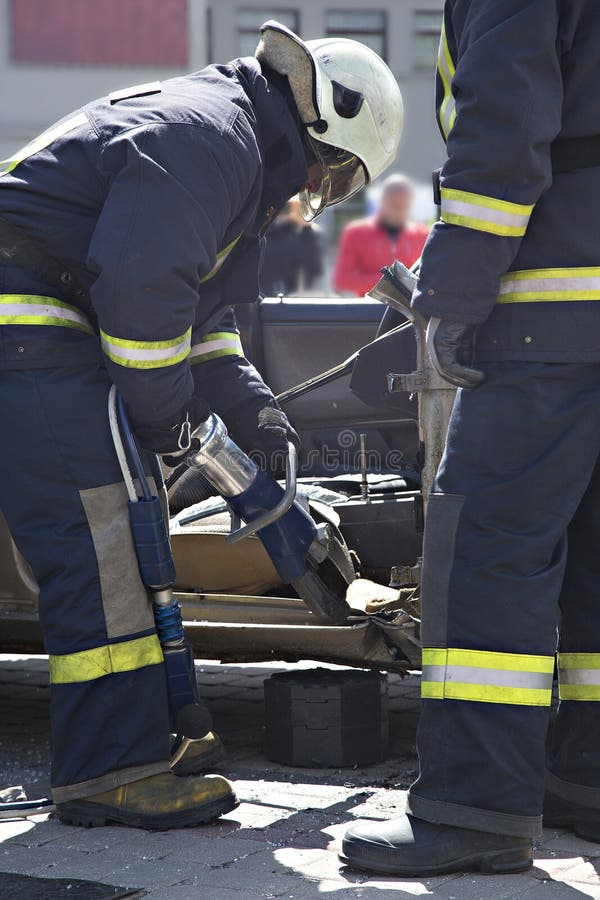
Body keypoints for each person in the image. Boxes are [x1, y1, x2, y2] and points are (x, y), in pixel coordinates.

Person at [0, 20, 403, 829]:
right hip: (26, 312)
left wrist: (253, 412)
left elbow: (207, 324)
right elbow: (145, 307)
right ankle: (109, 770)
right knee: (102, 533)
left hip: (50, 314)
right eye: (333, 170)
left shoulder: (241, 153)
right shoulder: (211, 139)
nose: (319, 189)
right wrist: (175, 424)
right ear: (321, 126)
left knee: (129, 520)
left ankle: (155, 735)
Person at [341, 0, 600, 877]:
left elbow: (506, 117)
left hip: (554, 299)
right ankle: (588, 776)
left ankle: (477, 807)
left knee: (486, 543)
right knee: (593, 545)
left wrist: (454, 293)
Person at [333, 174, 428, 297]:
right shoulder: (356, 232)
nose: (399, 211)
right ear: (382, 200)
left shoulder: (422, 234)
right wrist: (392, 282)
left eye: (404, 206)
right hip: (369, 310)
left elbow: (430, 279)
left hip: (408, 314)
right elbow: (342, 280)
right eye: (394, 205)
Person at [260, 196, 324, 296]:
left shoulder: (302, 234)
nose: (283, 210)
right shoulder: (260, 231)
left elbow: (314, 269)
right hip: (258, 297)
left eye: (288, 206)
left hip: (289, 298)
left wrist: (306, 226)